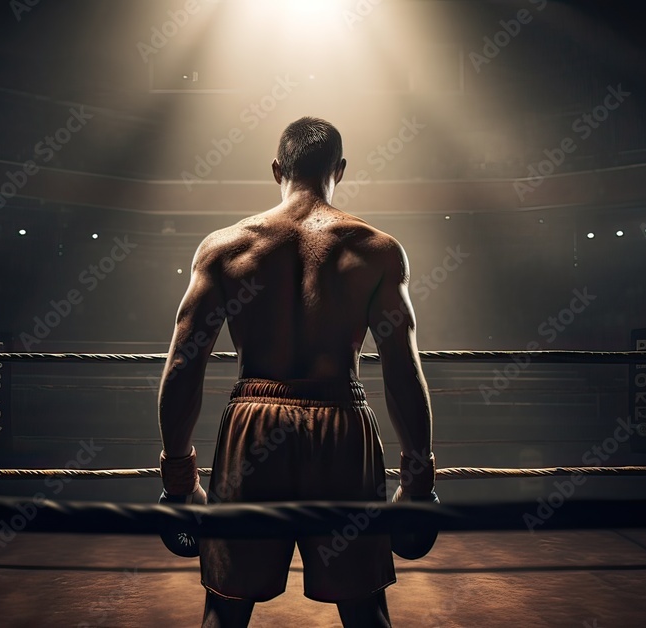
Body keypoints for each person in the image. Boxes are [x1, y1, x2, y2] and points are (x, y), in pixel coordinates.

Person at [157, 117, 436, 628]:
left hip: (253, 424)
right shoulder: (375, 250)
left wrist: (179, 475)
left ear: (276, 168)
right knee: (365, 609)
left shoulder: (226, 246)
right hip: (342, 425)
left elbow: (183, 363)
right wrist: (417, 476)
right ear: (341, 170)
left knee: (226, 607)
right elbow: (401, 367)